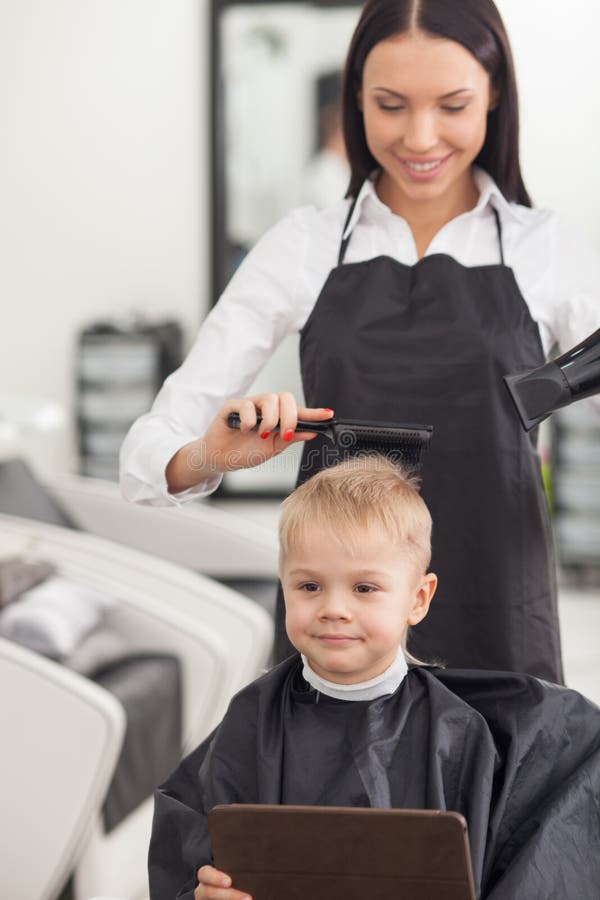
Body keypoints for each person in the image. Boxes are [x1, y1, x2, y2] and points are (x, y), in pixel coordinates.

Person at [120, 0, 600, 680]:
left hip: (500, 615)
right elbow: (144, 456)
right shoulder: (303, 245)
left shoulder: (546, 247)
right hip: (339, 627)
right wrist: (208, 455)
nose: (421, 138)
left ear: (494, 95)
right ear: (355, 98)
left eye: (453, 106)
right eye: (391, 105)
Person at [148, 456, 600, 900]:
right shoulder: (251, 721)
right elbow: (192, 854)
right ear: (283, 586)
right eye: (309, 586)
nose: (334, 609)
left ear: (418, 599)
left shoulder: (460, 733)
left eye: (364, 588)